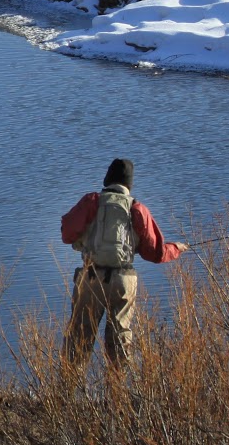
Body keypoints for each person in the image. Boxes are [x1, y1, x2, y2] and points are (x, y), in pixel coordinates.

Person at [59, 157, 187, 366]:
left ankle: (67, 392)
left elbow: (67, 235)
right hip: (123, 281)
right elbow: (155, 253)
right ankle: (118, 393)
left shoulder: (92, 202)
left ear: (107, 179)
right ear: (129, 184)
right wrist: (176, 248)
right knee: (120, 341)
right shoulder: (137, 209)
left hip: (91, 278)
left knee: (79, 337)